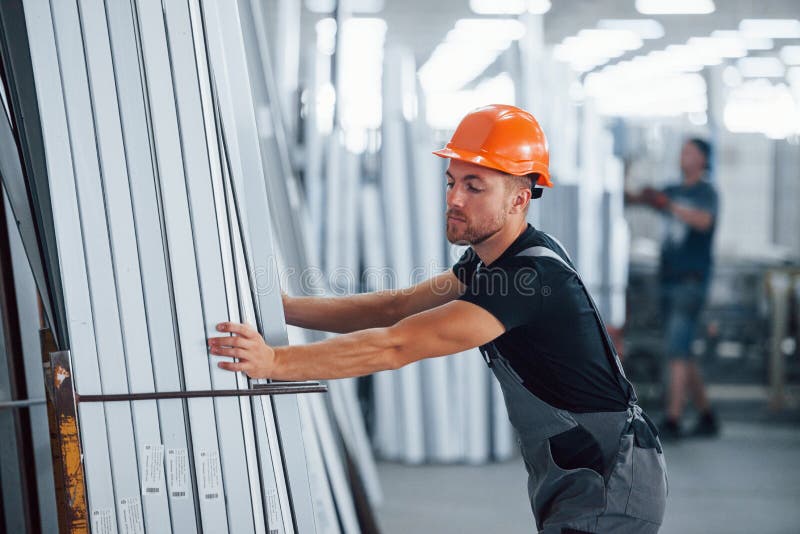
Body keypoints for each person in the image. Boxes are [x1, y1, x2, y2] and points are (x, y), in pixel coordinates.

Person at [209, 104, 668, 533]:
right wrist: (285, 308)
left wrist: (275, 364)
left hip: (611, 474)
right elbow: (395, 308)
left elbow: (397, 344)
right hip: (578, 465)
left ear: (519, 199)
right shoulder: (492, 261)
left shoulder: (529, 278)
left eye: (474, 186)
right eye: (452, 181)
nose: (454, 199)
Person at [627, 138, 720, 441]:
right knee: (682, 352)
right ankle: (706, 416)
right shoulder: (672, 190)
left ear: (703, 160)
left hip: (690, 282)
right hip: (667, 280)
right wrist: (637, 190)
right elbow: (638, 199)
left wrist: (670, 205)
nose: (683, 156)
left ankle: (673, 419)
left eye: (690, 152)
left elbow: (704, 221)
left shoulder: (706, 192)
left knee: (676, 352)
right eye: (682, 151)